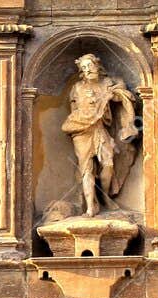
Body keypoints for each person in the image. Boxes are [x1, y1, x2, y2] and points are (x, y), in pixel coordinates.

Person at [61, 53, 138, 217]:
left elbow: (122, 97)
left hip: (100, 129)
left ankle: (103, 196)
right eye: (84, 67)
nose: (87, 70)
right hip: (81, 130)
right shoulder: (77, 88)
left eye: (90, 65)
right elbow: (74, 110)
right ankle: (90, 207)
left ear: (97, 66)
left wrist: (118, 90)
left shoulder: (106, 84)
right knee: (86, 168)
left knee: (108, 164)